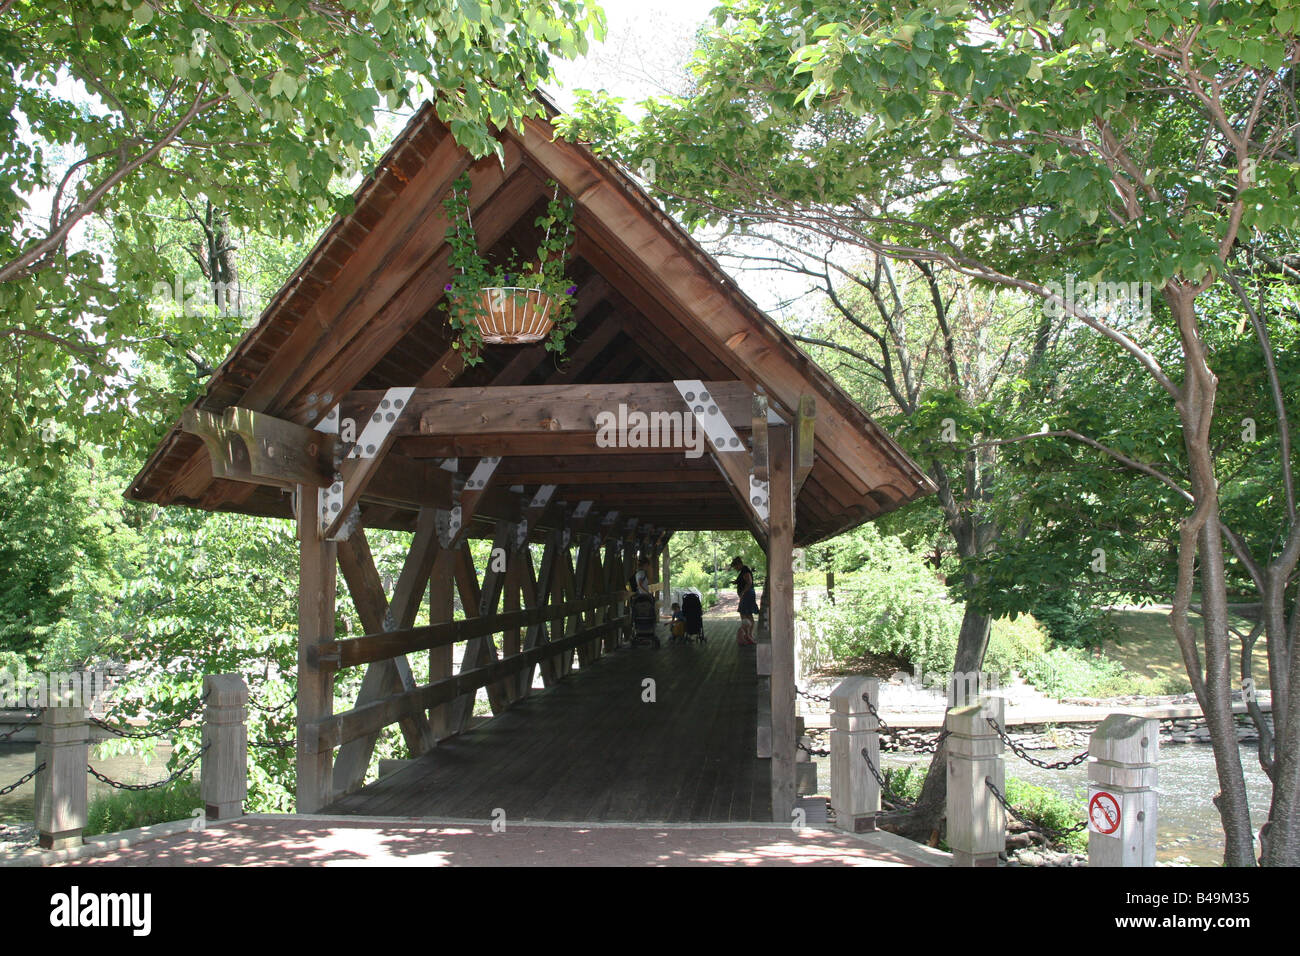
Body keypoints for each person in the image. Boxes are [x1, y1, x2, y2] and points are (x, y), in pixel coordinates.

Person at [731, 556, 758, 646]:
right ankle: (747, 636)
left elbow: (749, 582)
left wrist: (742, 592)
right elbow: (743, 581)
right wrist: (736, 582)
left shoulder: (745, 570)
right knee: (744, 615)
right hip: (747, 595)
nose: (735, 569)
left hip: (748, 595)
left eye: (735, 567)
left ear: (739, 564)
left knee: (747, 615)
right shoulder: (743, 571)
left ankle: (749, 635)